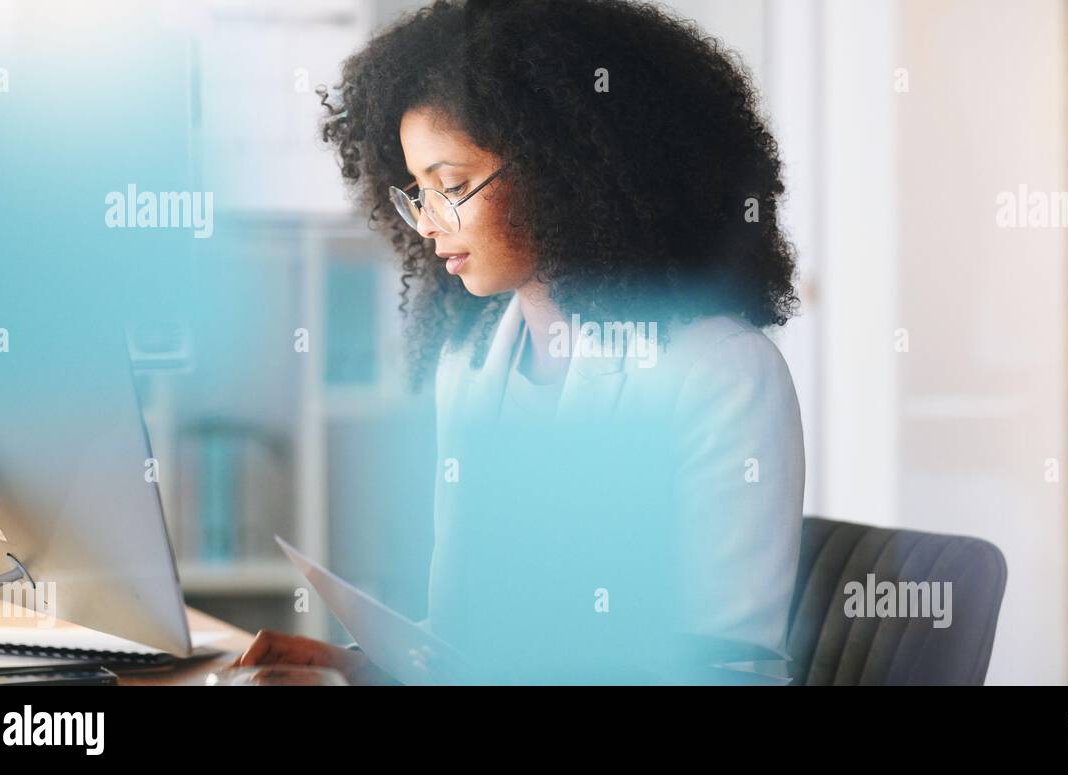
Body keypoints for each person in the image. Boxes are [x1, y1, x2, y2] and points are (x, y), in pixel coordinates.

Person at [234, 0, 804, 684]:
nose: (428, 224)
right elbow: (460, 642)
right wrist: (358, 668)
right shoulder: (472, 364)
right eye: (418, 192)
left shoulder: (720, 372)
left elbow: (726, 666)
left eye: (453, 185)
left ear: (563, 168)